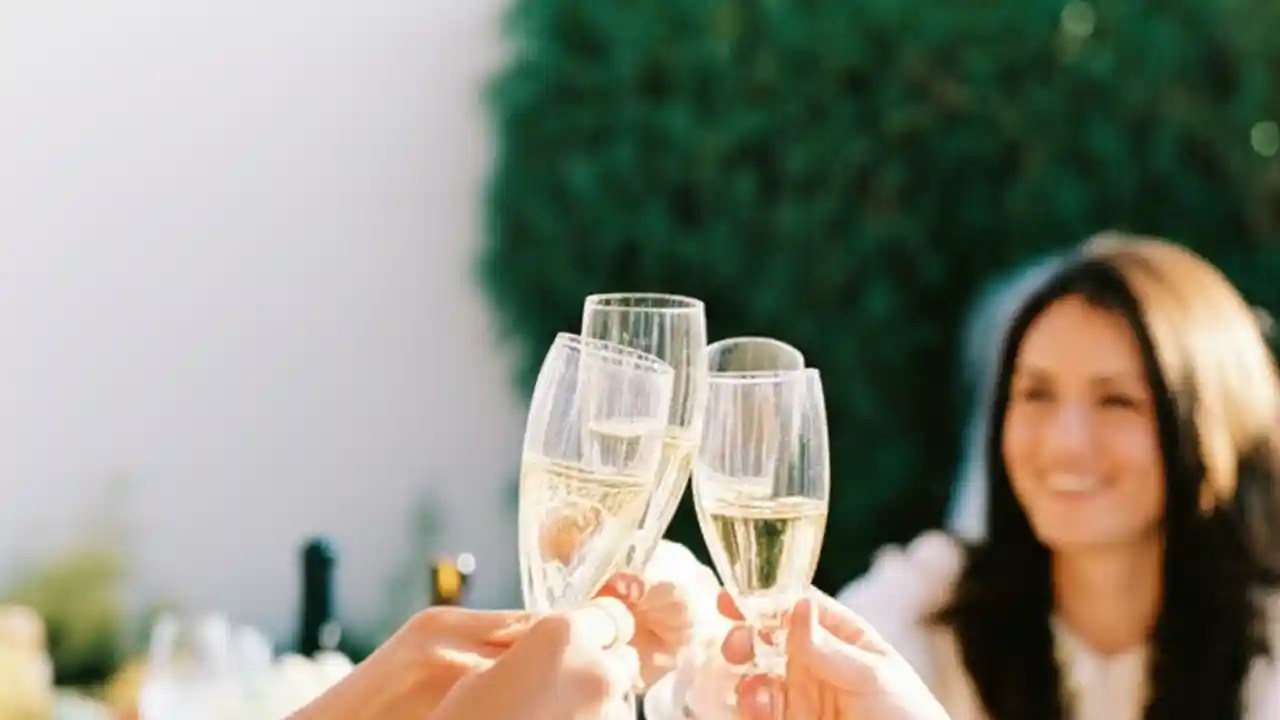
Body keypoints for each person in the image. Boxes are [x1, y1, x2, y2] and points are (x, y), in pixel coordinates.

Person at [650, 233, 1280, 719]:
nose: (1065, 442)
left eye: (1117, 401)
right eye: (1035, 394)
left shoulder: (1267, 648)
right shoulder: (933, 602)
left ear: (1206, 421)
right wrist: (688, 643)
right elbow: (756, 675)